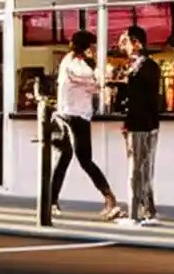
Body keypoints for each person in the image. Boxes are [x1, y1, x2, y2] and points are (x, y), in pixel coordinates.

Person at [51, 30, 123, 221]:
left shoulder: (72, 61)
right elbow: (95, 82)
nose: (94, 50)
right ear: (86, 47)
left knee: (64, 160)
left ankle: (51, 201)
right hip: (74, 116)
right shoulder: (75, 64)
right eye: (92, 46)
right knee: (81, 160)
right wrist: (102, 75)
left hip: (69, 115)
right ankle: (109, 199)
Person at [110, 25, 161, 226]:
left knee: (136, 168)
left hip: (139, 124)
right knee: (145, 168)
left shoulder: (141, 68)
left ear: (136, 43)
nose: (123, 46)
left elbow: (135, 98)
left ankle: (135, 214)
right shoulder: (147, 66)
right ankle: (148, 210)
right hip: (148, 123)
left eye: (125, 41)